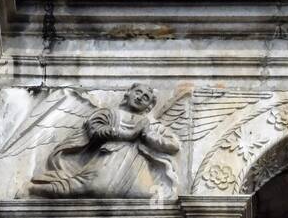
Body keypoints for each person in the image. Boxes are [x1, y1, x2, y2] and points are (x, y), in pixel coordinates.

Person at [30, 83, 180, 199]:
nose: (140, 97)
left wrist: (146, 134)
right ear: (128, 93)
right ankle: (33, 189)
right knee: (87, 188)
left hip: (135, 169)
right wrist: (128, 134)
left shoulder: (151, 125)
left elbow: (173, 145)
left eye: (146, 97)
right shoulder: (109, 113)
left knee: (146, 196)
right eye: (138, 92)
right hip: (108, 159)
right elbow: (95, 130)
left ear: (149, 106)